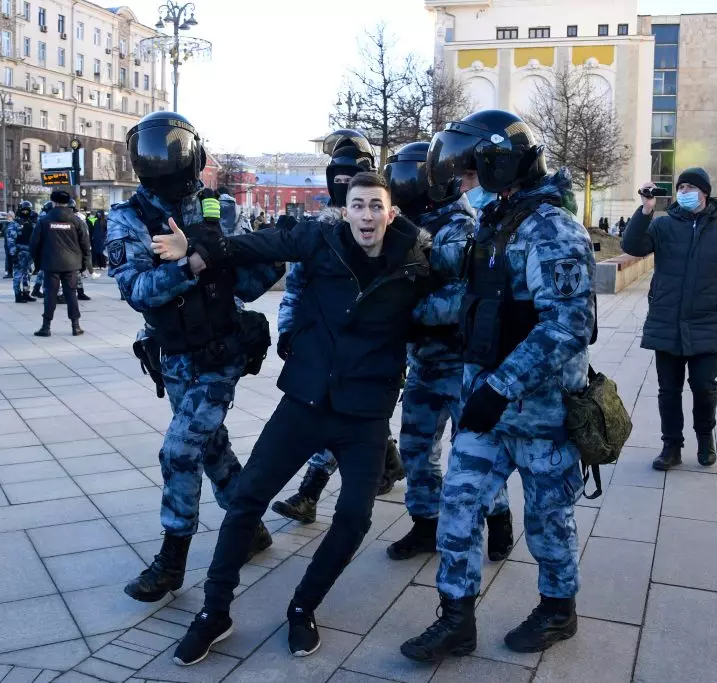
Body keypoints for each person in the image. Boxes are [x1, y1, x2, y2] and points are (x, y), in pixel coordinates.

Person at [156, 171, 432, 665]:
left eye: (376, 207)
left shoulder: (415, 263)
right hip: (303, 404)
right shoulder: (321, 239)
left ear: (391, 214)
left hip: (364, 417)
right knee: (245, 502)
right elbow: (256, 245)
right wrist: (196, 246)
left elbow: (461, 303)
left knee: (353, 519)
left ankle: (302, 607)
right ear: (344, 210)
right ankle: (214, 612)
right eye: (358, 206)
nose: (366, 216)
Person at [400, 110, 595, 661]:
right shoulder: (497, 222)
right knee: (459, 508)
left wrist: (501, 387)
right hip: (486, 411)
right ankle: (456, 621)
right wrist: (407, 314)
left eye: (468, 172)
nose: (462, 184)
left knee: (547, 520)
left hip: (541, 414)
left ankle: (559, 609)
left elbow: (568, 325)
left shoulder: (552, 229)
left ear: (497, 165)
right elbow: (477, 302)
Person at [106, 111, 284, 604]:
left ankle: (172, 559)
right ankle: (249, 527)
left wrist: (262, 256)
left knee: (179, 450)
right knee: (211, 448)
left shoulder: (220, 209)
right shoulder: (127, 219)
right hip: (174, 355)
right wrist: (196, 262)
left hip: (220, 353)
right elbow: (139, 291)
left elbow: (247, 284)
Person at [380, 141, 513, 563]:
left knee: (474, 452)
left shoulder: (461, 226)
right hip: (423, 360)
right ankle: (425, 523)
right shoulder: (403, 225)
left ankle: (500, 517)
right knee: (417, 447)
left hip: (461, 364)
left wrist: (409, 312)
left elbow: (463, 299)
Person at [270, 129, 406, 526]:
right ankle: (389, 461)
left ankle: (310, 492)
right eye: (338, 174)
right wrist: (288, 330)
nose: (344, 182)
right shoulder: (318, 227)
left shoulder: (384, 224)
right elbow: (295, 286)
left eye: (354, 173)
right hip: (320, 341)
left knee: (339, 413)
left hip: (368, 349)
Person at [622, 169, 717, 471]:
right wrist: (645, 210)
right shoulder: (664, 225)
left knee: (704, 388)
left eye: (691, 186)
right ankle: (671, 446)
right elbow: (632, 247)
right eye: (681, 186)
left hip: (706, 322)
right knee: (668, 390)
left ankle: (705, 439)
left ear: (705, 193)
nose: (684, 191)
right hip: (666, 320)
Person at [30, 190, 91, 337]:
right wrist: (85, 264)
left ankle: (46, 327)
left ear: (53, 202)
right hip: (71, 264)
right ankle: (75, 326)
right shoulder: (76, 221)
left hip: (51, 264)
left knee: (50, 295)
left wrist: (37, 264)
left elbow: (34, 245)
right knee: (71, 294)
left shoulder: (44, 221)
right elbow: (85, 244)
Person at [9, 201, 37, 303]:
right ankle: (17, 295)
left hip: (29, 253)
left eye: (27, 210)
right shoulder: (15, 224)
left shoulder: (31, 223)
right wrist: (13, 255)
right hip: (19, 253)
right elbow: (10, 241)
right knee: (18, 274)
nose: (25, 212)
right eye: (24, 210)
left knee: (28, 273)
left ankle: (26, 293)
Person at [31, 201, 55, 299]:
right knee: (45, 270)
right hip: (45, 247)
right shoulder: (46, 218)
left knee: (42, 270)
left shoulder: (42, 216)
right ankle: (42, 290)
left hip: (41, 246)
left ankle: (36, 289)